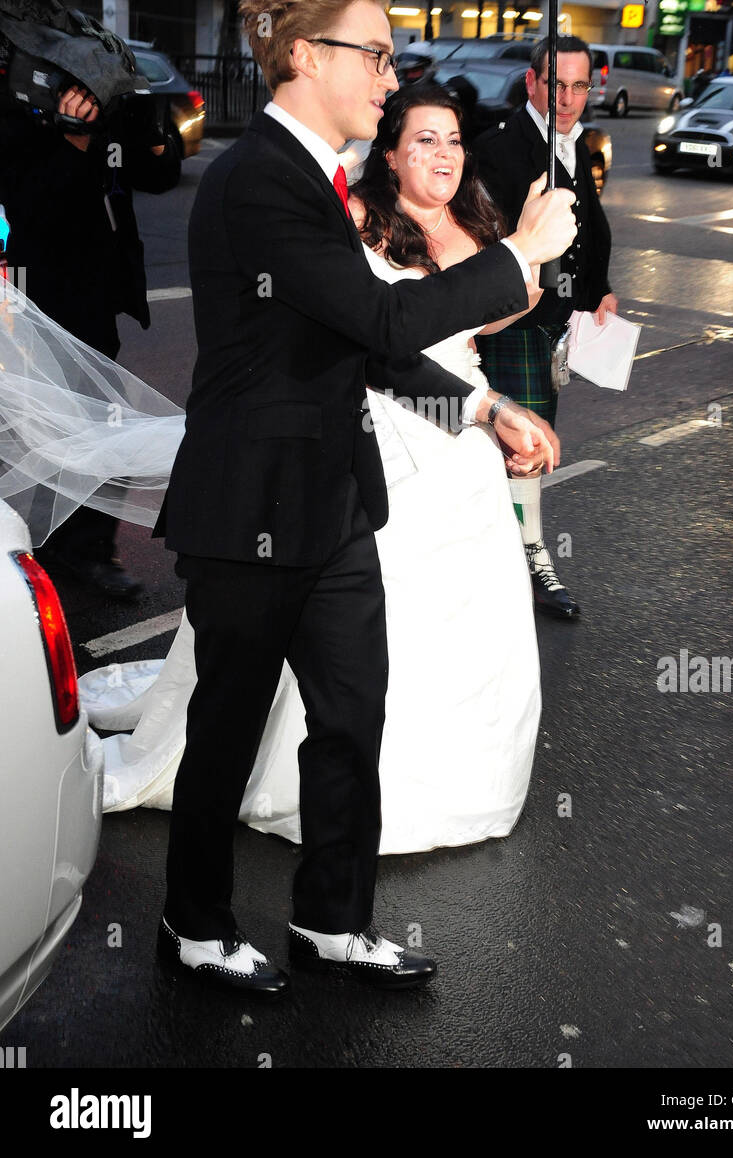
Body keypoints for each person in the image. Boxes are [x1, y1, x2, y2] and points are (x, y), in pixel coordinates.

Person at [150, 0, 577, 995]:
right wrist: (518, 253)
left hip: (336, 503)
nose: (390, 77)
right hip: (250, 508)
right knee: (229, 725)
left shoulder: (317, 179)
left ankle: (330, 921)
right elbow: (385, 319)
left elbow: (370, 352)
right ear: (306, 58)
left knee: (352, 716)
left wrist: (484, 407)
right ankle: (193, 925)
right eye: (374, 53)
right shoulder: (258, 178)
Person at [73, 83, 547, 879]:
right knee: (359, 638)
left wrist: (519, 289)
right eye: (423, 140)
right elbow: (382, 340)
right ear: (390, 151)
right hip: (389, 427)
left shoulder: (477, 220)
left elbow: (472, 325)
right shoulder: (354, 219)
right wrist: (488, 378)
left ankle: (444, 792)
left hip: (460, 439)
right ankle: (239, 886)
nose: (442, 155)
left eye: (454, 140)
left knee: (464, 622)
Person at [0, 83, 180, 598]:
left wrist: (153, 134)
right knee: (82, 417)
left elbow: (160, 177)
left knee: (77, 419)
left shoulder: (107, 110)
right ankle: (79, 548)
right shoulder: (20, 119)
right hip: (46, 295)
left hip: (99, 291)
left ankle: (63, 542)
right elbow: (34, 205)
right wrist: (72, 140)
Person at [474, 36, 616, 618]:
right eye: (556, 84)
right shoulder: (501, 149)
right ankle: (529, 561)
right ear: (530, 83)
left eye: (580, 85)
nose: (568, 97)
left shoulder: (575, 144)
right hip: (513, 320)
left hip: (555, 323)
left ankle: (513, 555)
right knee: (521, 444)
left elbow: (588, 225)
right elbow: (488, 240)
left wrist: (598, 287)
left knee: (524, 444)